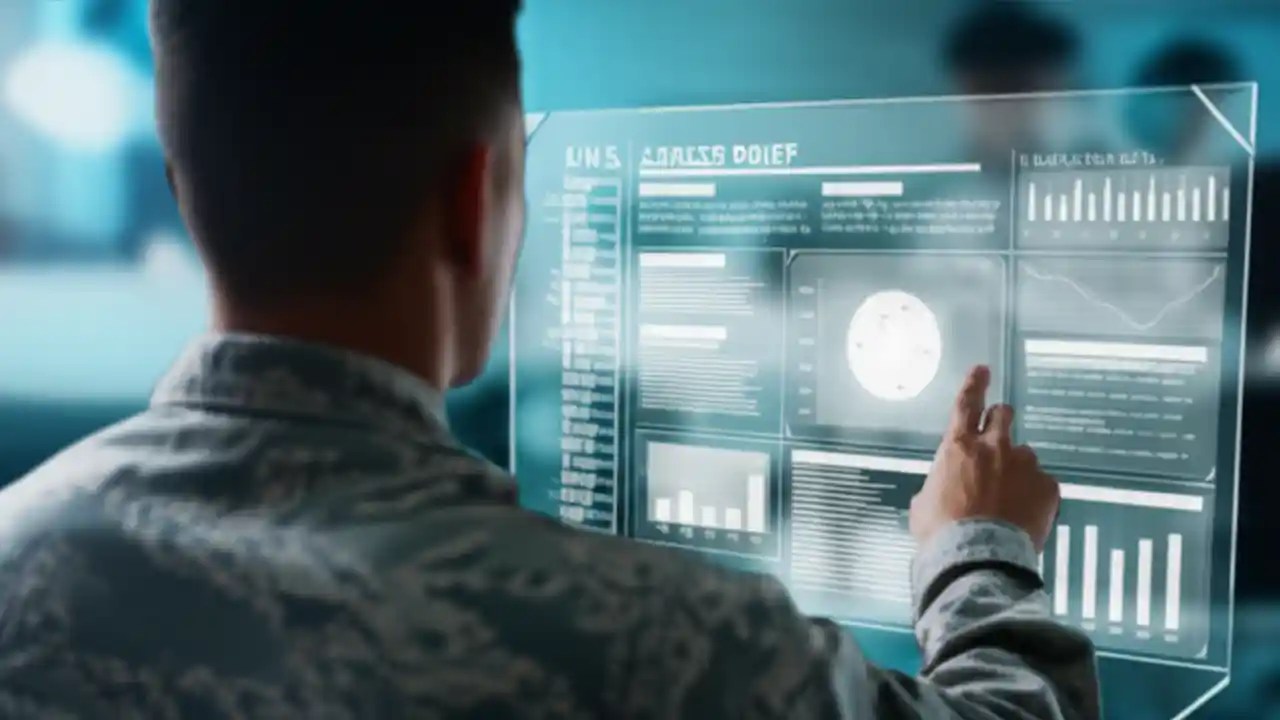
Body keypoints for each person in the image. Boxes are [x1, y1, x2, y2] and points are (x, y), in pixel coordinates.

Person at [0, 2, 1099, 717]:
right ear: (476, 203)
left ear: (189, 194)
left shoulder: (17, 555)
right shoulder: (668, 642)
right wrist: (975, 548)